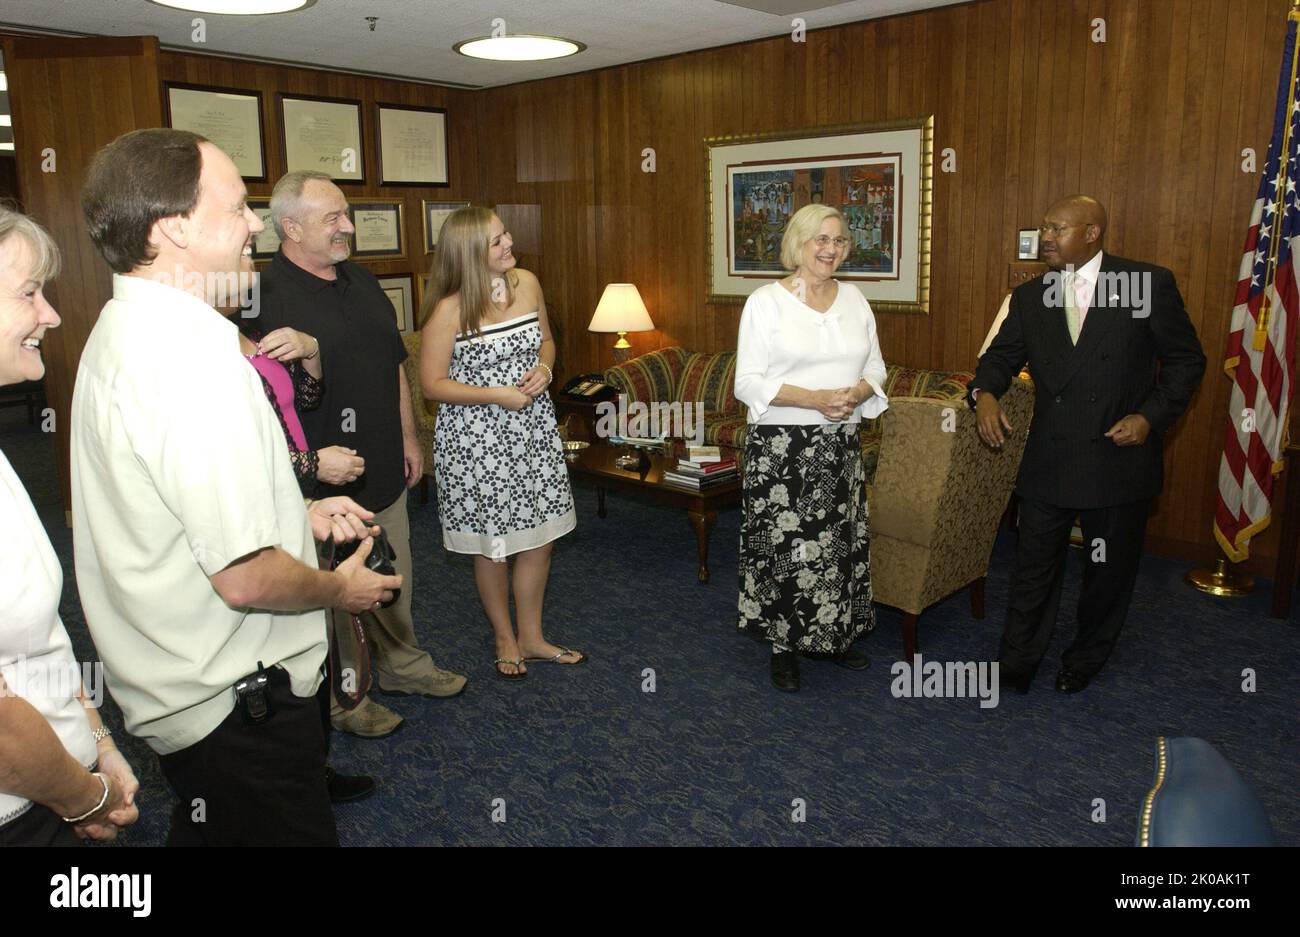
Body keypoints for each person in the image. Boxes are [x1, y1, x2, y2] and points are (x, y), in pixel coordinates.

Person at [73, 129, 400, 845]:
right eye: (238, 207)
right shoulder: (190, 361)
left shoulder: (125, 325)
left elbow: (175, 500)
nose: (256, 224)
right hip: (234, 700)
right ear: (175, 227)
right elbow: (247, 577)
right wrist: (341, 591)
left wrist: (299, 509)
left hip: (180, 685)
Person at [255, 170, 466, 740]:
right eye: (333, 218)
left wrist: (407, 436)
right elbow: (256, 405)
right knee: (336, 592)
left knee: (392, 574)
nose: (347, 227)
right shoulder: (261, 298)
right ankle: (348, 698)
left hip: (382, 461)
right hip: (320, 481)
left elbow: (392, 362)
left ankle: (405, 668)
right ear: (290, 227)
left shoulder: (363, 280)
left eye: (346, 214)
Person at [970, 195, 1206, 694]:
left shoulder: (1145, 285)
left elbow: (1187, 361)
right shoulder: (1031, 298)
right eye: (1044, 229)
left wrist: (1150, 417)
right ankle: (1016, 662)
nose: (1045, 239)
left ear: (1092, 233)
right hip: (1050, 459)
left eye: (1057, 229)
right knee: (1033, 566)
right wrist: (985, 393)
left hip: (1117, 458)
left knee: (1105, 572)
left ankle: (1087, 656)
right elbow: (999, 357)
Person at [0, 206, 140, 846]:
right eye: (29, 293)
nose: (51, 315)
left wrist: (96, 739)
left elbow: (33, 638)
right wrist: (85, 798)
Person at [420, 207, 582, 679]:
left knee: (540, 536)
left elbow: (547, 341)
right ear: (470, 254)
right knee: (493, 544)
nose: (509, 242)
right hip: (476, 443)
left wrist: (546, 370)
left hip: (533, 430)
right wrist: (495, 395)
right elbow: (431, 384)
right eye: (496, 241)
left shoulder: (527, 283)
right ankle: (504, 637)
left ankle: (531, 636)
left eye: (504, 233)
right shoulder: (448, 308)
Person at [733, 204, 889, 693]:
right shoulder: (765, 302)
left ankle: (833, 633)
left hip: (839, 444)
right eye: (820, 239)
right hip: (782, 448)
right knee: (785, 548)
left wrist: (854, 396)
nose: (831, 249)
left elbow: (877, 369)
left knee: (836, 542)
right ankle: (784, 647)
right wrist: (816, 399)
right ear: (798, 244)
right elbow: (748, 382)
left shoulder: (856, 299)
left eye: (840, 241)